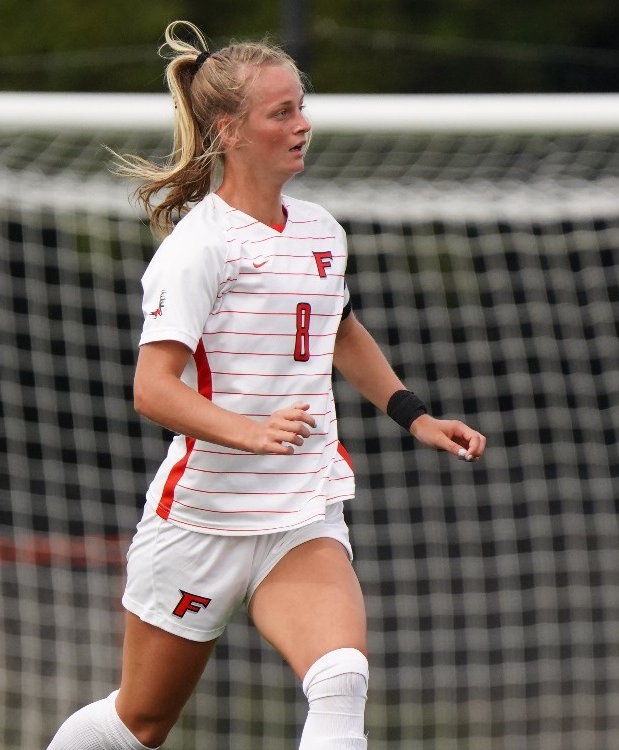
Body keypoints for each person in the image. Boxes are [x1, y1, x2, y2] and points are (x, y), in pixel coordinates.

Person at [45, 19, 486, 750]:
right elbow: (152, 390)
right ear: (231, 130)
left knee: (341, 679)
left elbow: (337, 329)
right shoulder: (199, 247)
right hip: (203, 522)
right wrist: (248, 431)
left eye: (301, 107)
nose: (302, 125)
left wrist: (413, 415)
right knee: (142, 721)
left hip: (300, 511)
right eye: (281, 112)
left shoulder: (320, 232)